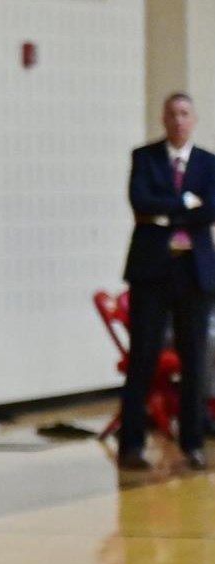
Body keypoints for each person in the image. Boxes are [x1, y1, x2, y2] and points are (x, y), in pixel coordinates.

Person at [121, 92, 215, 472]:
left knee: (194, 359)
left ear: (193, 119)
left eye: (184, 114)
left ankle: (192, 442)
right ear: (163, 119)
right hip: (151, 271)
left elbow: (211, 209)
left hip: (194, 273)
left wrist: (169, 210)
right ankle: (131, 443)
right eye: (172, 114)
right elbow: (141, 201)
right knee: (143, 356)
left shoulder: (209, 163)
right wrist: (185, 206)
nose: (178, 120)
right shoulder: (144, 157)